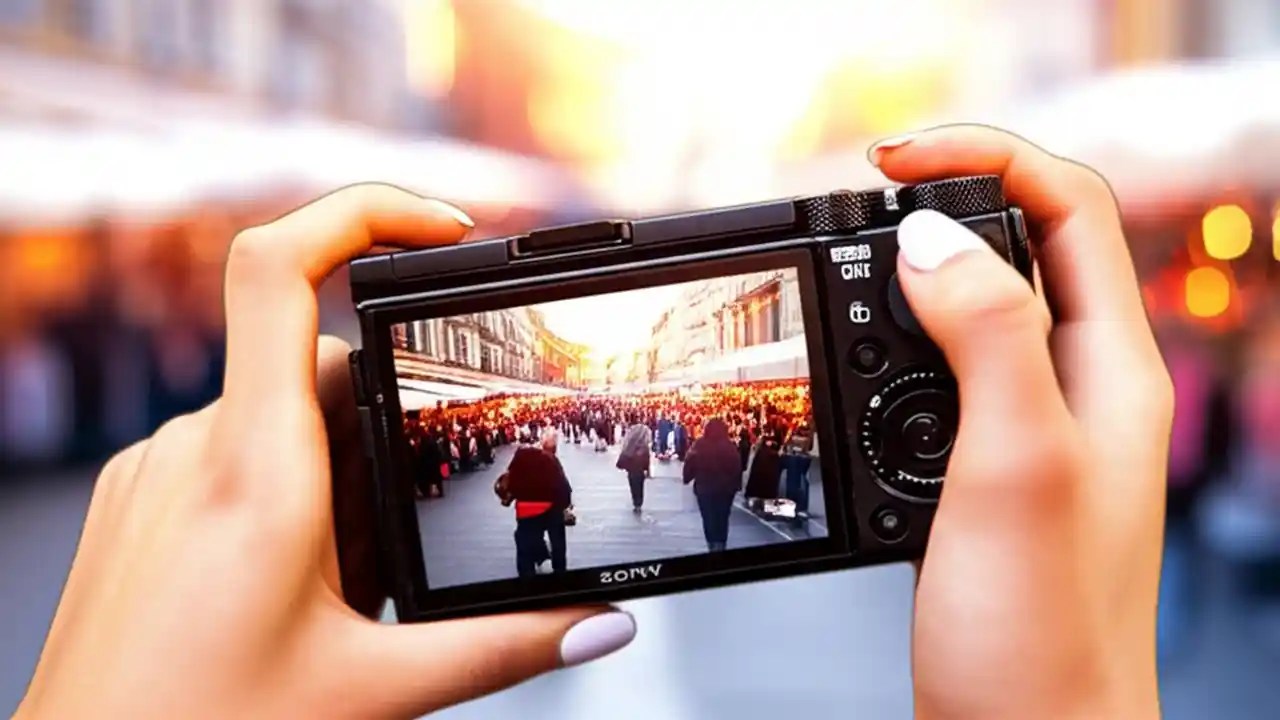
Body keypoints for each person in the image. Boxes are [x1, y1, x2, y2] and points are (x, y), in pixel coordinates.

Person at [17, 126, 1172, 719]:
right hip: (592, 494)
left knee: (540, 553)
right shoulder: (601, 430)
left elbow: (600, 460)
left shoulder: (557, 433)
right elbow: (601, 459)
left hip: (572, 498)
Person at [682, 418, 743, 552]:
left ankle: (711, 543)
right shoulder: (729, 446)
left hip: (705, 487)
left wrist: (687, 477)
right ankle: (720, 543)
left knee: (708, 516)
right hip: (725, 489)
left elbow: (690, 461)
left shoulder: (699, 444)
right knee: (723, 516)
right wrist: (736, 484)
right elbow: (737, 465)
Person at [617, 414, 653, 512]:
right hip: (640, 469)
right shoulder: (643, 447)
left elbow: (625, 450)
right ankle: (638, 502)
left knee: (633, 484)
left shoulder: (630, 445)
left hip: (632, 468)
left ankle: (636, 501)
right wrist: (647, 470)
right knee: (640, 485)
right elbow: (647, 459)